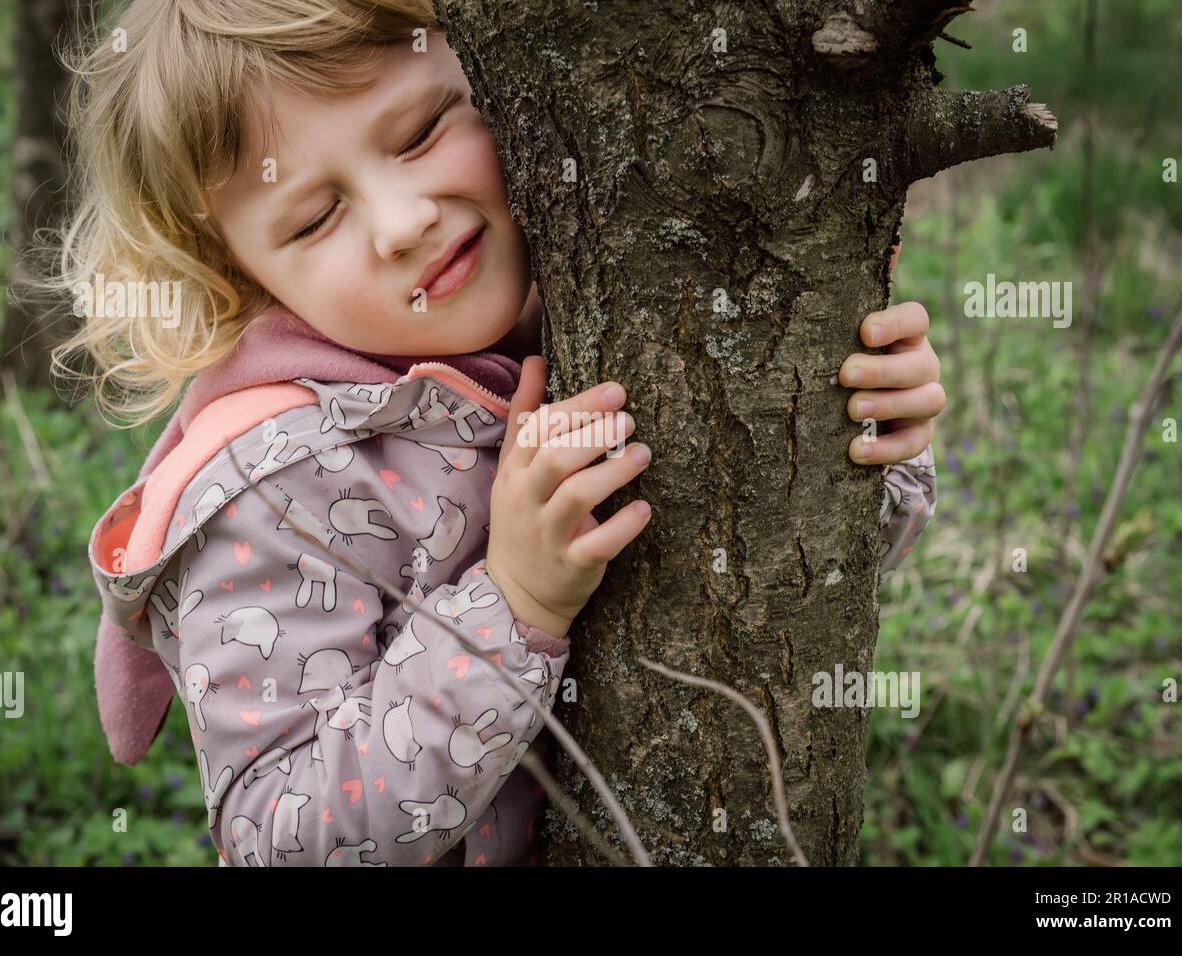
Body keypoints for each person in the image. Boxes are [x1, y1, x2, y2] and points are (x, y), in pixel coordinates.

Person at [50, 0, 943, 866]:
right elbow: (275, 836)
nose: (403, 224)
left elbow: (765, 592)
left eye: (421, 131)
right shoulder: (276, 485)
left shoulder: (589, 309)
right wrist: (512, 604)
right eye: (315, 218)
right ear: (237, 276)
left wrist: (856, 438)